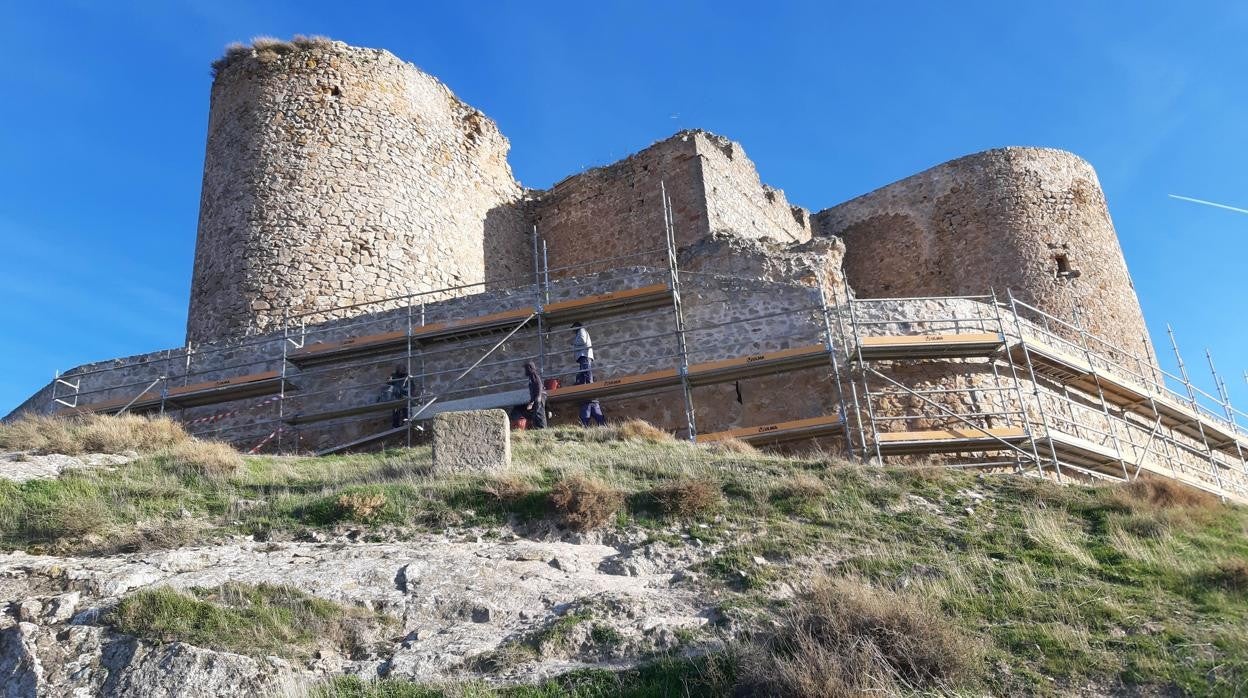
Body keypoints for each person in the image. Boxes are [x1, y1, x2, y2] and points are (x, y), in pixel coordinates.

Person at [570, 322, 606, 426]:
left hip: (584, 354)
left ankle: (588, 383)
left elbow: (582, 340)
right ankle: (587, 382)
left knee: (586, 371)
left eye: (573, 328)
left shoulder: (581, 331)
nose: (573, 331)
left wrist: (574, 343)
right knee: (584, 371)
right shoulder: (581, 332)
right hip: (583, 355)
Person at [523, 361, 547, 429]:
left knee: (539, 413)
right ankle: (537, 428)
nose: (525, 371)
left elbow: (539, 385)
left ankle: (543, 428)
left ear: (530, 368)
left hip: (540, 396)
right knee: (535, 414)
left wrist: (539, 397)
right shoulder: (530, 378)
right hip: (536, 397)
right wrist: (531, 402)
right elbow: (533, 391)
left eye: (526, 369)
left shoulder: (534, 375)